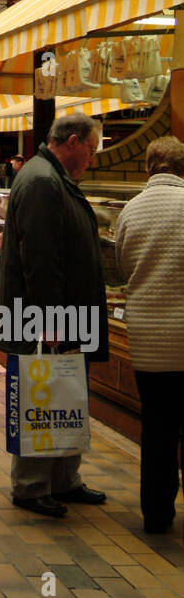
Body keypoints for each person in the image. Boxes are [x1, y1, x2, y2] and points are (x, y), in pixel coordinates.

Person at [0, 112, 108, 519]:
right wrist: (52, 318)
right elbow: (40, 261)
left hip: (61, 313)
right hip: (48, 316)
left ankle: (63, 478)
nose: (93, 158)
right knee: (40, 396)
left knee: (65, 394)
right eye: (92, 149)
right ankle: (31, 485)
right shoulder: (44, 181)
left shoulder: (50, 176)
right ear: (73, 142)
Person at [115, 136, 184, 533]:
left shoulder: (132, 208)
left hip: (147, 339)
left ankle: (156, 514)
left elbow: (124, 264)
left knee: (157, 426)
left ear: (148, 167)